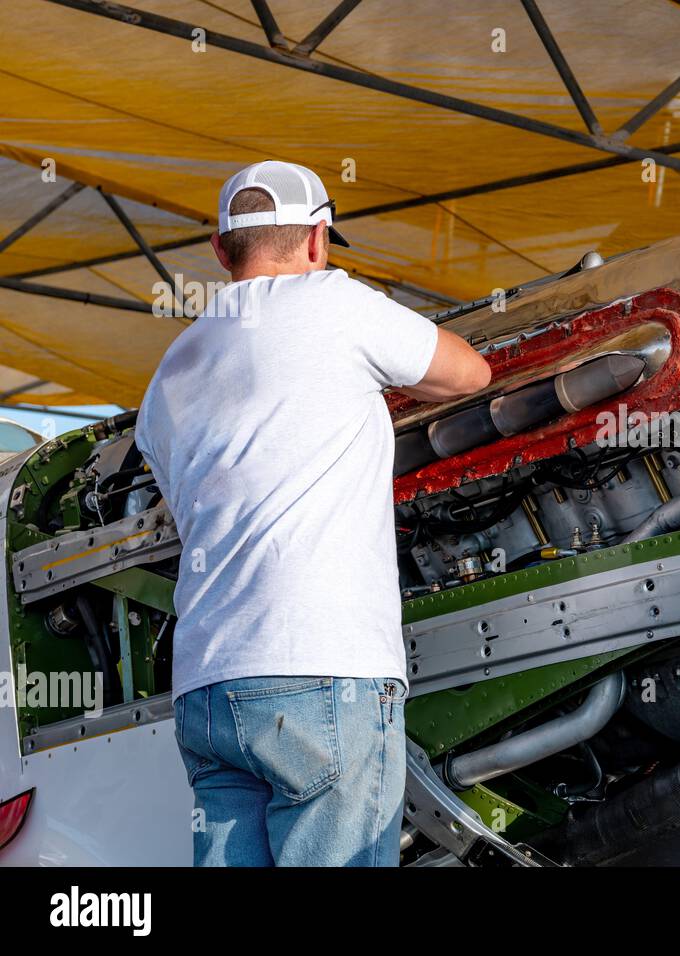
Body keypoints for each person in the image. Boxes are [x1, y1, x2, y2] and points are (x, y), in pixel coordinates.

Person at [134, 160, 491, 866]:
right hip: (318, 667)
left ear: (219, 250)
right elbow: (470, 374)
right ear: (318, 240)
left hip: (208, 686)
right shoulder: (334, 302)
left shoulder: (168, 374)